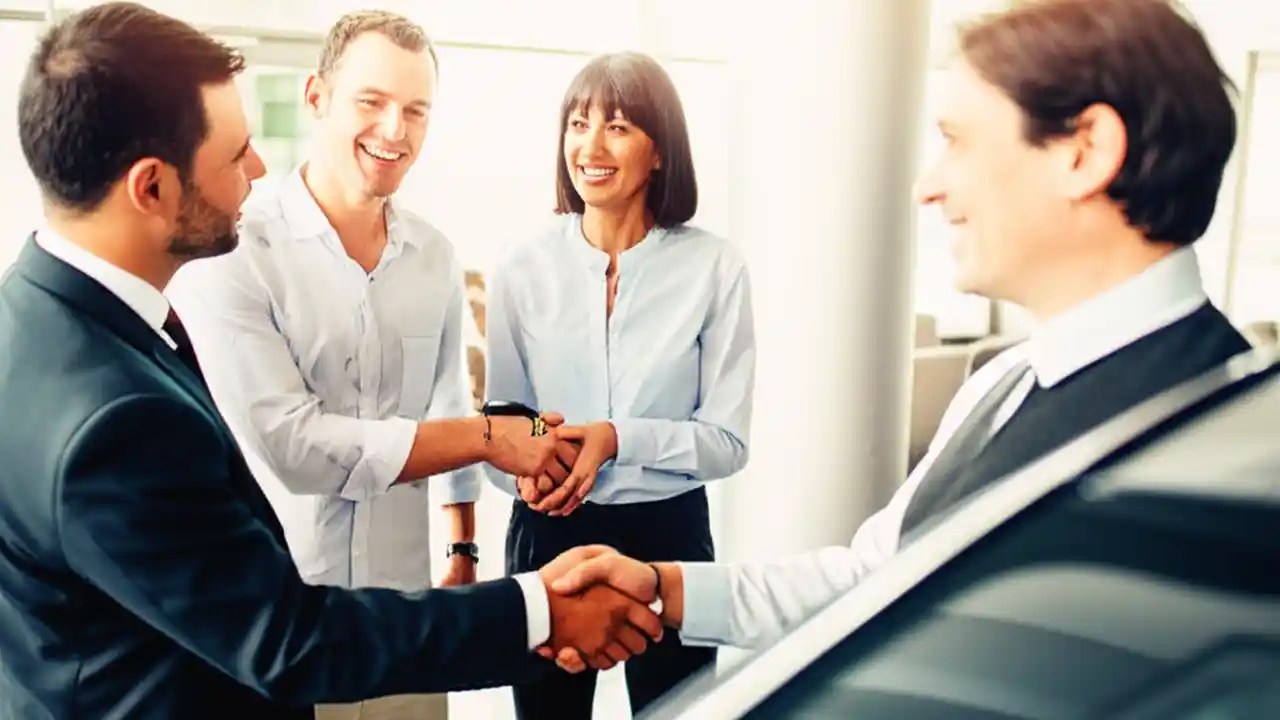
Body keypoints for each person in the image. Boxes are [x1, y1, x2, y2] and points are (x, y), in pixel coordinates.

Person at [0, 5, 661, 718]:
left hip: (386, 619)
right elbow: (291, 636)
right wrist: (538, 609)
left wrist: (468, 548)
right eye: (234, 155)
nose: (257, 168)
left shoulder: (38, 318)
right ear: (152, 187)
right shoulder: (118, 416)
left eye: (417, 109)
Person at [542, 0, 1251, 662]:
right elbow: (874, 576)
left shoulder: (1239, 449)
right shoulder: (1004, 381)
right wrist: (664, 589)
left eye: (957, 142)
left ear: (1085, 150)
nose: (928, 187)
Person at [166, 13, 484, 718]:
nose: (395, 131)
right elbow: (292, 445)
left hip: (406, 620)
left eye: (415, 111)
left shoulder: (434, 256)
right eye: (371, 103)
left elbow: (448, 400)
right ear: (317, 97)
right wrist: (494, 442)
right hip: (282, 626)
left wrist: (464, 548)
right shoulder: (236, 249)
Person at [482, 51, 755, 718]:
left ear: (660, 151)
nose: (591, 146)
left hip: (671, 537)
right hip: (549, 530)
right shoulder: (521, 268)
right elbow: (511, 419)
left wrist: (617, 440)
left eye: (618, 127)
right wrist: (545, 446)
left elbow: (724, 441)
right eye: (578, 124)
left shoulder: (714, 267)